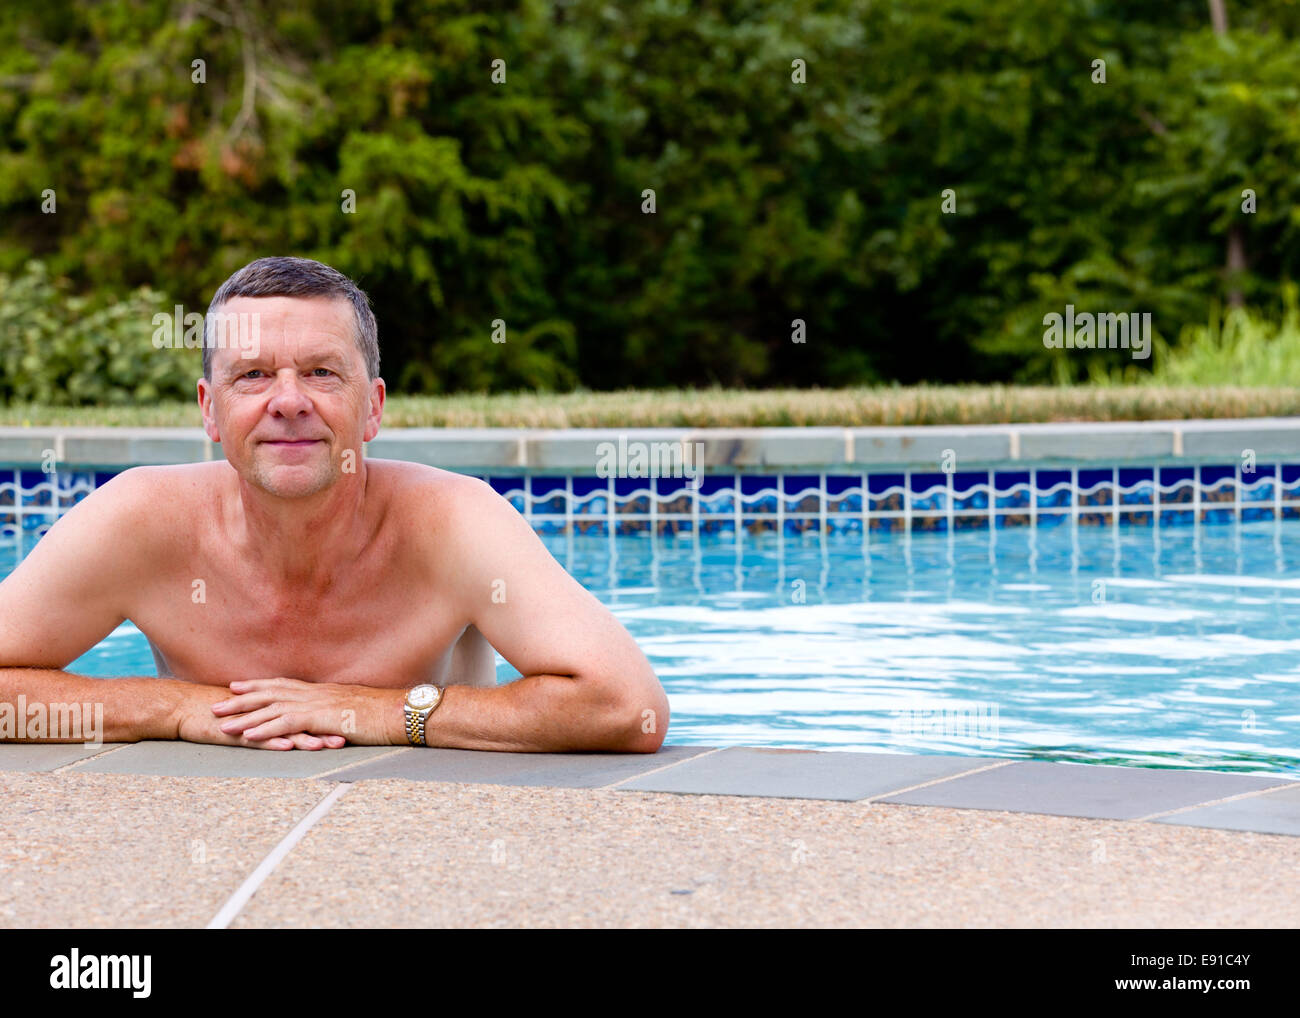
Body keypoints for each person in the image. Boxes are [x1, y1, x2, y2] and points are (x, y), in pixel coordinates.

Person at [0, 257, 668, 753]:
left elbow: (626, 707)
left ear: (372, 407)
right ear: (210, 410)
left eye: (321, 372)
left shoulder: (454, 522)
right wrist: (174, 707)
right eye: (253, 375)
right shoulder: (141, 520)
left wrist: (376, 713)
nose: (288, 402)